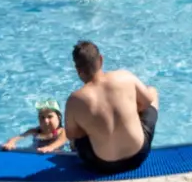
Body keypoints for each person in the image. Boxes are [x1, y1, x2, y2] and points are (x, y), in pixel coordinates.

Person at [64, 41, 158, 174]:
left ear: (78, 70)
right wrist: (129, 113)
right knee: (152, 91)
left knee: (78, 135)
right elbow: (147, 102)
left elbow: (72, 134)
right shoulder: (124, 76)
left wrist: (93, 126)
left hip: (102, 165)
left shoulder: (74, 100)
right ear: (101, 59)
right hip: (138, 156)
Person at [4, 102, 70, 153]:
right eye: (42, 117)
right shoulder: (35, 131)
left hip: (54, 155)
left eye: (50, 117)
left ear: (59, 117)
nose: (46, 121)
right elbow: (18, 137)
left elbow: (63, 139)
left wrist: (51, 147)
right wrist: (11, 142)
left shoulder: (61, 131)